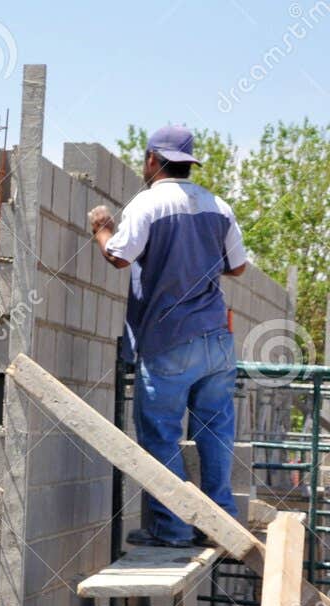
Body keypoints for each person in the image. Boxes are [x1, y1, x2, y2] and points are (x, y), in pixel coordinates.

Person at [88, 124, 250, 547]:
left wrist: (102, 226)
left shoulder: (148, 204)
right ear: (189, 163)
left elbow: (119, 257)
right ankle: (221, 525)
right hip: (216, 341)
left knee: (160, 434)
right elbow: (237, 268)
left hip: (169, 342)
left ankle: (173, 528)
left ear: (152, 161)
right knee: (214, 433)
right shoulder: (219, 207)